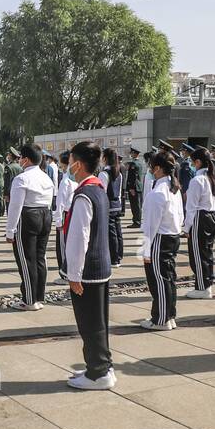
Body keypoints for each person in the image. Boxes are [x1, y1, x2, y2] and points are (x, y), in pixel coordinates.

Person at [64, 141, 116, 390]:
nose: (69, 165)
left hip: (88, 271)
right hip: (100, 267)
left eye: (71, 160)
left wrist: (74, 273)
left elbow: (78, 238)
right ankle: (101, 365)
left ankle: (99, 372)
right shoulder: (98, 189)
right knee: (99, 322)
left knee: (90, 324)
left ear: (79, 164)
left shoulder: (84, 194)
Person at [138, 151, 184, 331]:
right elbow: (180, 215)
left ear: (156, 168)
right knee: (168, 279)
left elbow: (150, 226)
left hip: (159, 239)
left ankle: (161, 319)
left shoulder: (157, 192)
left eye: (151, 167)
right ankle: (168, 315)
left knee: (158, 281)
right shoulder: (174, 188)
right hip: (172, 236)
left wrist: (146, 251)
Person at [4, 143, 53, 310]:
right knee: (40, 257)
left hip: (28, 216)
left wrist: (10, 230)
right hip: (45, 215)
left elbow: (15, 205)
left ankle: (29, 300)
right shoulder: (46, 176)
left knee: (26, 260)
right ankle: (39, 296)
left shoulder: (22, 178)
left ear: (25, 159)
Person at [184, 147, 215, 298]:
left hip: (200, 217)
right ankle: (207, 285)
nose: (192, 165)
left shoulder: (197, 180)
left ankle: (202, 287)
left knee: (197, 254)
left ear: (197, 162)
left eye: (193, 162)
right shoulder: (212, 178)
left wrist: (186, 227)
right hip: (211, 216)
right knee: (207, 253)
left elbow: (191, 207)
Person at [98, 147, 125, 268]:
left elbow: (101, 193)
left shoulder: (104, 174)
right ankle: (119, 256)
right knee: (118, 232)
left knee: (111, 233)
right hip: (117, 205)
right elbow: (118, 192)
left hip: (108, 206)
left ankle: (114, 258)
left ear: (105, 158)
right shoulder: (118, 173)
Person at [53, 151, 75, 283]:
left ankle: (64, 272)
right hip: (73, 213)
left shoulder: (66, 180)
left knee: (62, 246)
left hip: (65, 215)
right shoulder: (77, 178)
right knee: (72, 245)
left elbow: (60, 202)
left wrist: (58, 221)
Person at [125, 147, 144, 227]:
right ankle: (137, 220)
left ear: (135, 154)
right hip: (138, 186)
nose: (131, 154)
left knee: (135, 205)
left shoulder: (133, 164)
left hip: (134, 187)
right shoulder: (139, 163)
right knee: (137, 205)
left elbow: (133, 177)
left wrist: (131, 188)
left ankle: (137, 222)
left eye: (132, 153)